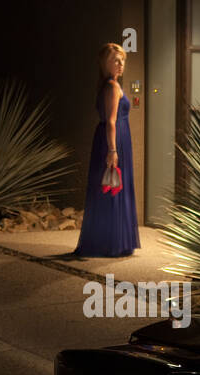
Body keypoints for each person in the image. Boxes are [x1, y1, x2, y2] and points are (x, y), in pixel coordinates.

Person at [73, 43, 140, 259]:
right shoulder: (112, 87)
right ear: (105, 63)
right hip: (113, 140)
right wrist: (112, 150)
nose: (121, 64)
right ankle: (110, 243)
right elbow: (111, 121)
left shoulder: (108, 85)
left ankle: (110, 241)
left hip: (113, 139)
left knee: (110, 188)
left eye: (122, 60)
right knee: (112, 189)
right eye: (115, 60)